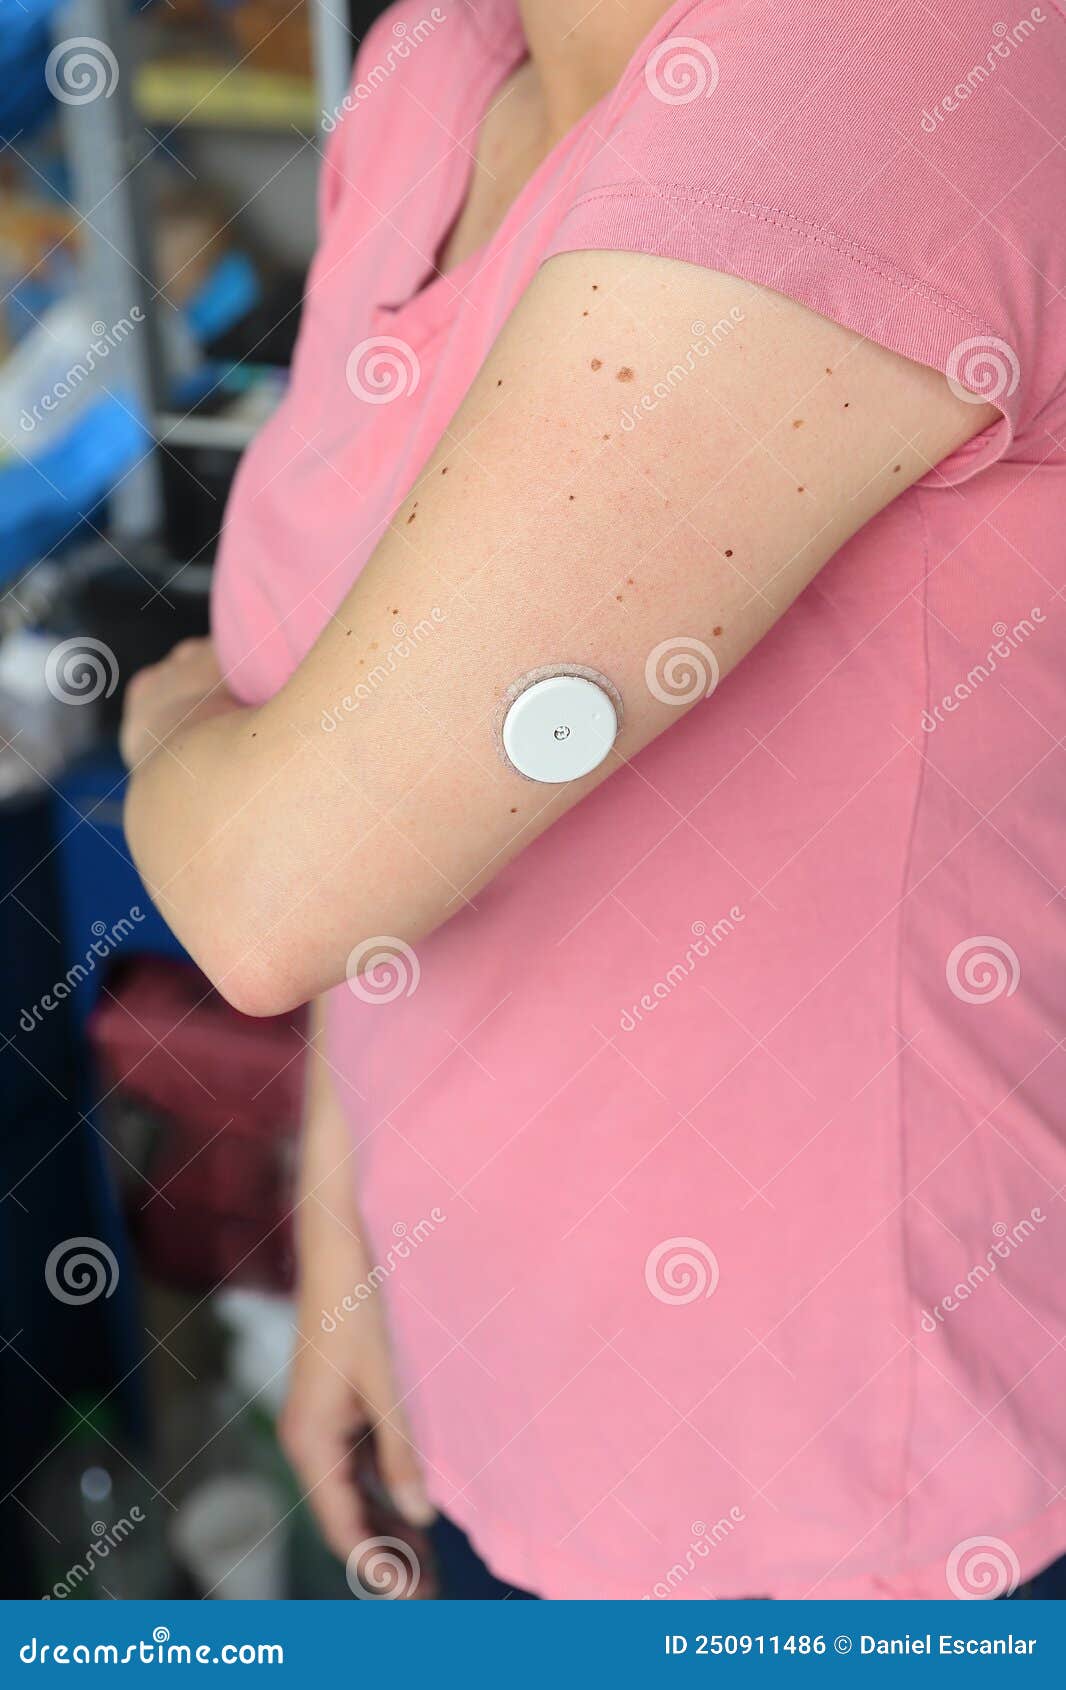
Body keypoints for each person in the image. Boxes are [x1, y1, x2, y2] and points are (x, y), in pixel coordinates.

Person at [120, 0, 1066, 1599]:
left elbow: (271, 889)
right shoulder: (443, 62)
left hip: (856, 1515)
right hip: (497, 1408)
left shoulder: (892, 68)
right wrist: (352, 1214)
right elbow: (387, 799)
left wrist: (169, 719)